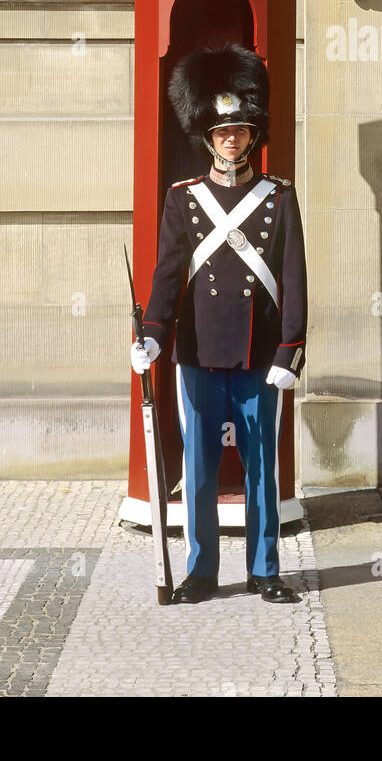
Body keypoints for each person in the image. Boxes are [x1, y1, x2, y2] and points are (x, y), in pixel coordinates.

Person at [129, 43, 306, 605]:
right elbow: (167, 274)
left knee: (261, 468)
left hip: (259, 353)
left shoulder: (279, 197)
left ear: (253, 135)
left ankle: (264, 570)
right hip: (199, 350)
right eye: (223, 130)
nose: (233, 138)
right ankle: (202, 571)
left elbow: (295, 277)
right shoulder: (184, 199)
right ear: (207, 136)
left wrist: (290, 351)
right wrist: (152, 335)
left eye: (241, 130)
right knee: (201, 468)